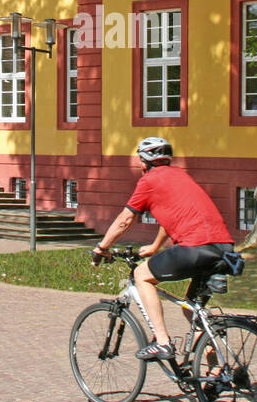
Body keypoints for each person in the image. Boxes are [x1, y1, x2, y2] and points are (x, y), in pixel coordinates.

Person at [92, 136, 233, 360]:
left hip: (194, 247)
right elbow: (173, 215)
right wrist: (156, 246)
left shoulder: (149, 181)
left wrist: (102, 248)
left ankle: (162, 342)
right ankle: (218, 371)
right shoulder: (181, 176)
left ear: (143, 161)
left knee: (142, 275)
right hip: (224, 248)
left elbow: (125, 220)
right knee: (192, 310)